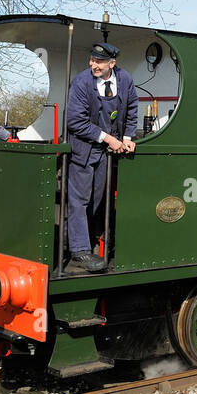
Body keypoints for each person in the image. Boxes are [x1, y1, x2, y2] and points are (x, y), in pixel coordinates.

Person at [64, 41, 138, 272]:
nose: (93, 64)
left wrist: (127, 137)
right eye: (92, 60)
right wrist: (108, 138)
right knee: (79, 201)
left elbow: (132, 108)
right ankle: (79, 251)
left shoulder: (125, 79)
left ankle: (74, 239)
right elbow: (75, 121)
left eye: (99, 61)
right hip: (83, 150)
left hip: (105, 153)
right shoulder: (81, 82)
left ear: (111, 64)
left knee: (96, 200)